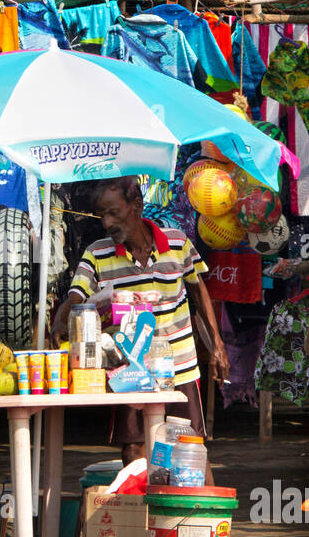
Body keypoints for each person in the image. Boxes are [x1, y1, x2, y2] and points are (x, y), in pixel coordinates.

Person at [52, 176, 230, 471]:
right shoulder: (97, 252)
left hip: (180, 367)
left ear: (137, 206)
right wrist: (62, 318)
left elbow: (199, 291)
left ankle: (203, 516)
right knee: (134, 449)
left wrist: (217, 344)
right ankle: (141, 515)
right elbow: (76, 294)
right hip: (130, 370)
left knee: (190, 449)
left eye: (113, 213)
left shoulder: (177, 243)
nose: (107, 223)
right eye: (101, 215)